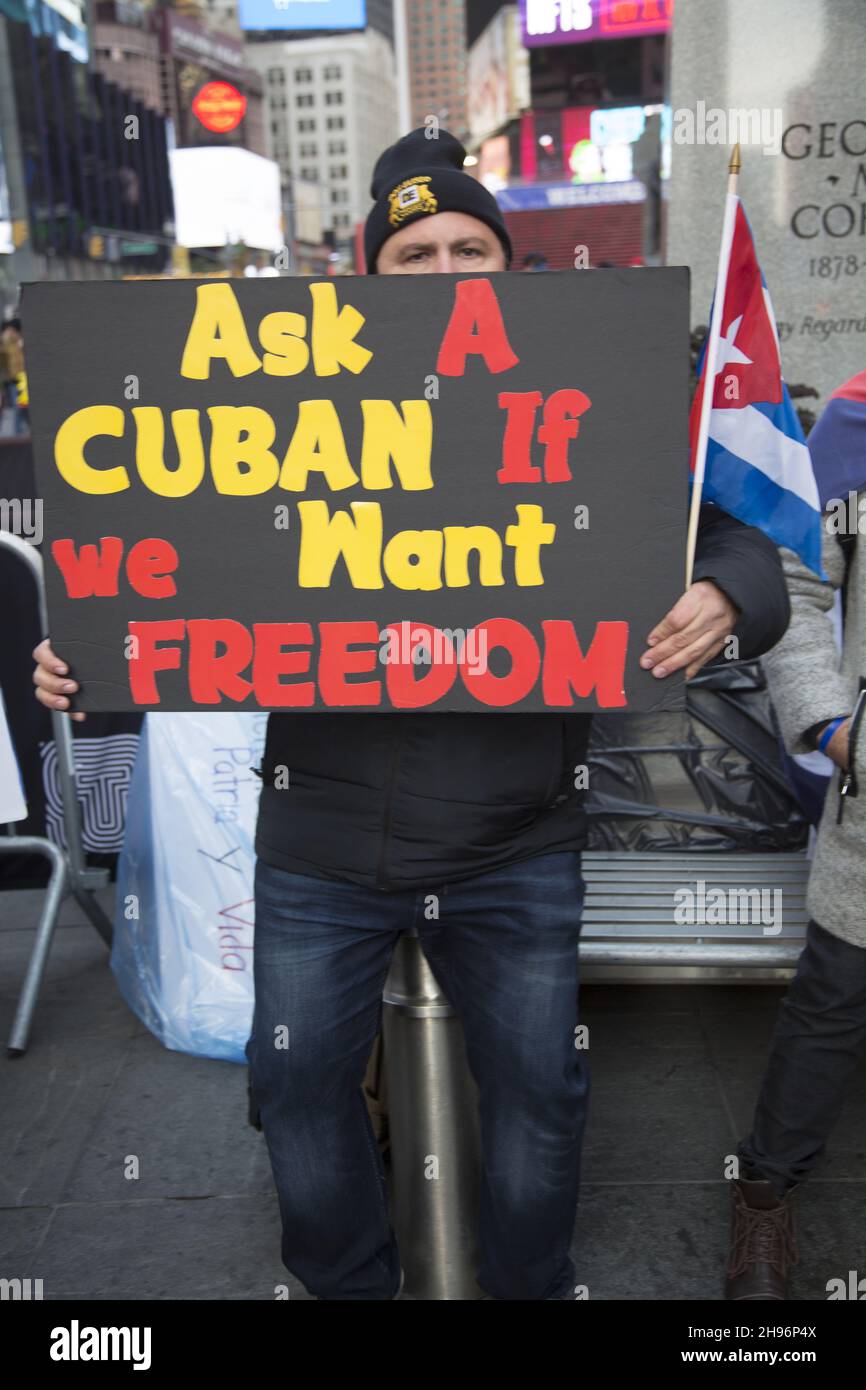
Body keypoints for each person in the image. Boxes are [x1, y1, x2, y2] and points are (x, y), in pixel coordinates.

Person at [33, 128, 791, 1302]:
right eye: (416, 252)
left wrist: (721, 595)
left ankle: (532, 1286)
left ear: (506, 262)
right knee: (289, 1088)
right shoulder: (294, 397)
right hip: (317, 845)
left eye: (469, 248)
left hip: (516, 842)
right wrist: (89, 660)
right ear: (369, 278)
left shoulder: (579, 390)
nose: (444, 273)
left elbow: (742, 546)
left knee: (540, 1093)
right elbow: (179, 566)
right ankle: (344, 1283)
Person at [726, 368, 866, 1302]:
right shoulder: (856, 419)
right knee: (832, 1006)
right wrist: (828, 725)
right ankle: (763, 1196)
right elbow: (795, 582)